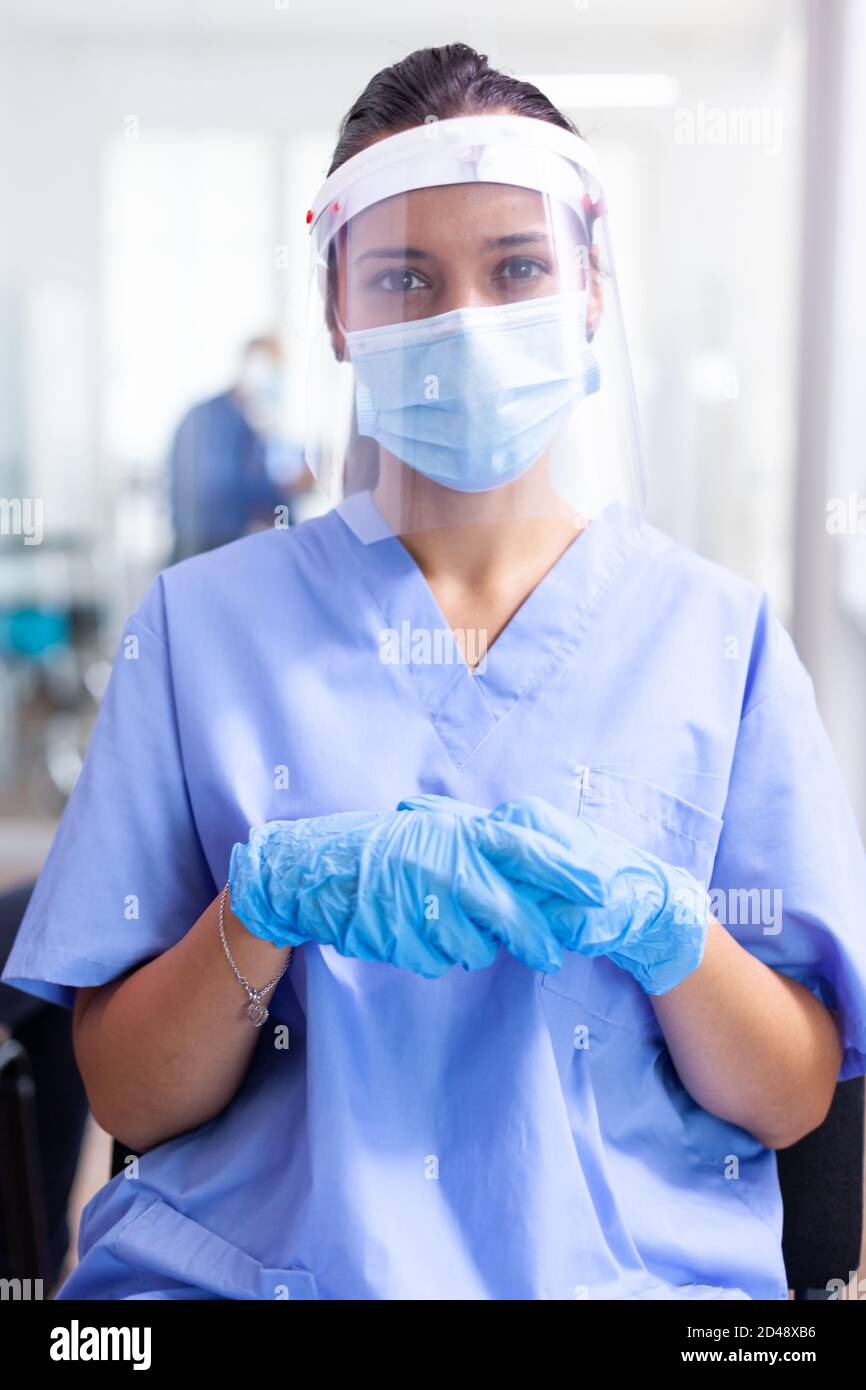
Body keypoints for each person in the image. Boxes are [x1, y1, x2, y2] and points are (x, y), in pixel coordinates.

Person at [3, 43, 866, 1302]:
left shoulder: (715, 640)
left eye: (516, 268)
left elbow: (793, 1097)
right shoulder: (198, 631)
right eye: (405, 277)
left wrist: (664, 930)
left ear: (586, 294)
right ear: (339, 313)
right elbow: (130, 1092)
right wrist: (260, 911)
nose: (463, 322)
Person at [167, 333, 307, 562]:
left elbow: (278, 509)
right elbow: (215, 489)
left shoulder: (253, 428)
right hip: (201, 555)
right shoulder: (205, 420)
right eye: (272, 371)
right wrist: (282, 486)